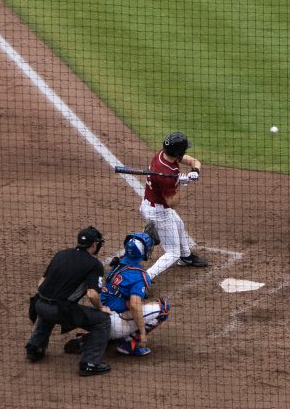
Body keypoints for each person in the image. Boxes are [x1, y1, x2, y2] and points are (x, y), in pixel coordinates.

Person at [24, 226, 113, 376]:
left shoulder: (62, 254)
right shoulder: (94, 265)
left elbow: (41, 282)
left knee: (50, 306)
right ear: (94, 245)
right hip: (58, 310)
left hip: (38, 304)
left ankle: (34, 348)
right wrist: (101, 308)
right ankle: (90, 363)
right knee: (102, 321)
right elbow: (92, 295)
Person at [73, 232, 171, 357]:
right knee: (163, 308)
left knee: (127, 304)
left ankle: (97, 337)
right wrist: (142, 333)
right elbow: (135, 306)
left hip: (96, 317)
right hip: (113, 322)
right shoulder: (138, 275)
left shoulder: (117, 264)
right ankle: (130, 344)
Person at [139, 132, 208, 279]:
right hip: (158, 211)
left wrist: (195, 171)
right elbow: (172, 203)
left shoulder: (164, 154)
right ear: (178, 152)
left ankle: (186, 257)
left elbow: (194, 161)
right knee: (172, 252)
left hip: (153, 204)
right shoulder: (165, 174)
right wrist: (181, 184)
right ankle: (145, 278)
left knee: (179, 224)